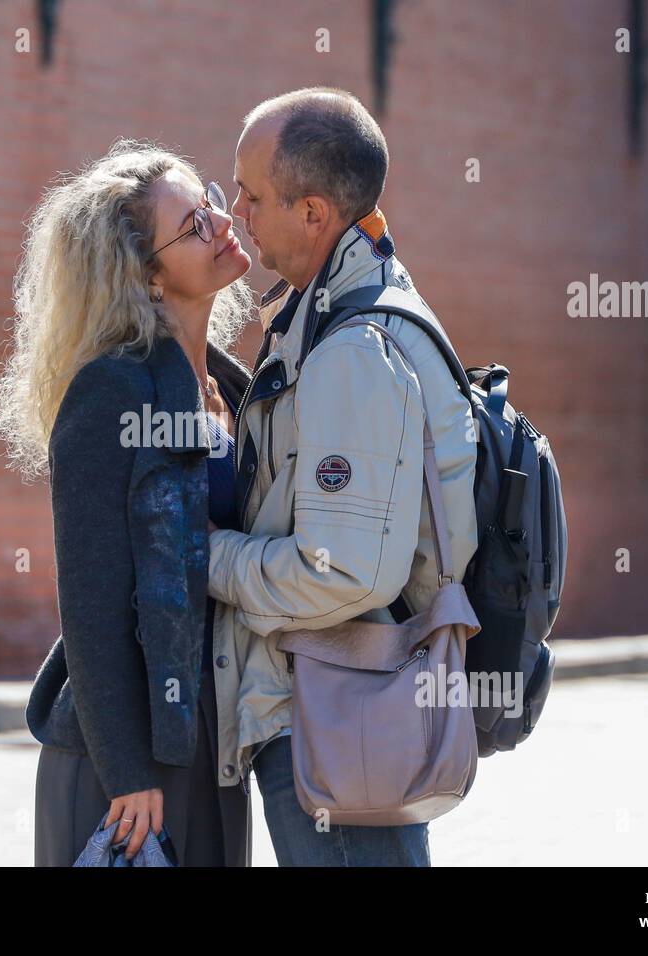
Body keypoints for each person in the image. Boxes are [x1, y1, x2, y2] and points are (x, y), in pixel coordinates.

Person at [206, 88, 478, 866]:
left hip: (335, 722)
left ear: (315, 214)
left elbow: (347, 571)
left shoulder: (354, 349)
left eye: (253, 196)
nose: (239, 215)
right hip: (343, 713)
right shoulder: (340, 313)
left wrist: (211, 558)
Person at [0, 140, 256, 865]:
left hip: (212, 740)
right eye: (194, 224)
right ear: (148, 276)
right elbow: (92, 601)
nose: (222, 224)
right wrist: (128, 774)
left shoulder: (241, 391)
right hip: (127, 765)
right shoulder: (111, 393)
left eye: (214, 205)